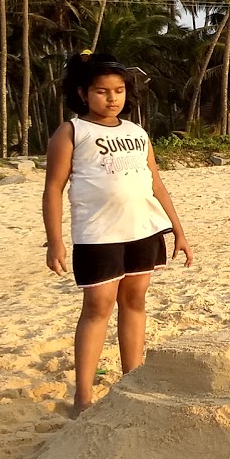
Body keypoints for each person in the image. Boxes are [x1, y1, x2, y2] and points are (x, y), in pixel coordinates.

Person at [42, 52, 192, 412]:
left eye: (119, 90)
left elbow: (156, 183)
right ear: (82, 93)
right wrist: (56, 241)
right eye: (102, 91)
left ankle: (132, 382)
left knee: (135, 301)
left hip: (143, 231)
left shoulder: (137, 132)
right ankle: (83, 396)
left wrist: (179, 231)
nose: (112, 98)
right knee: (97, 307)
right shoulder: (72, 132)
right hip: (98, 235)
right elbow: (53, 188)